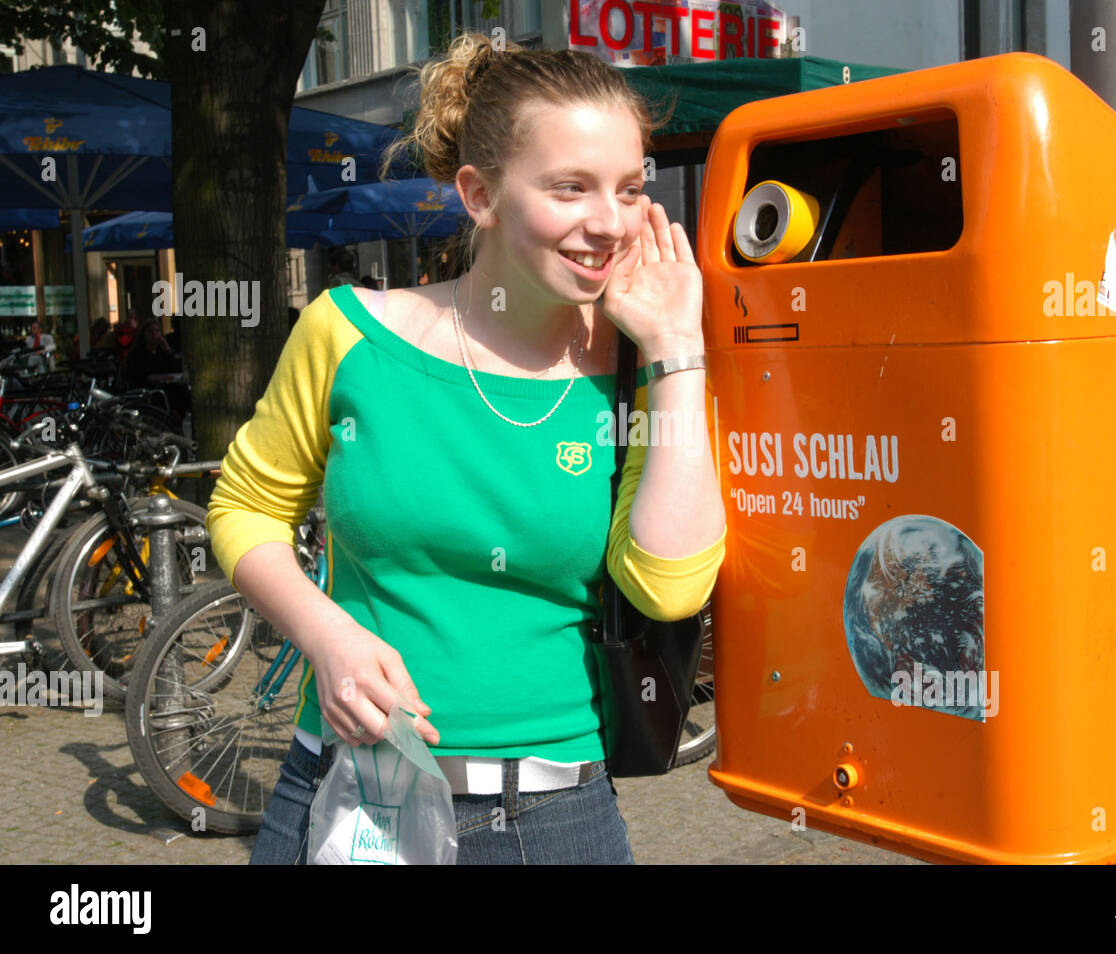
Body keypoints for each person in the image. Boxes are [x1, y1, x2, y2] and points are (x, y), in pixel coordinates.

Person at [206, 31, 726, 865]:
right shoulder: (346, 334)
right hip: (350, 792)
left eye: (631, 189)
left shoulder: (641, 369)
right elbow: (244, 508)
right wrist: (325, 636)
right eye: (571, 188)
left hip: (555, 816)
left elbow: (669, 587)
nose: (610, 222)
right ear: (480, 194)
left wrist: (677, 349)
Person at [120, 317, 191, 421]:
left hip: (163, 385)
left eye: (157, 331)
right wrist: (155, 378)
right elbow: (136, 375)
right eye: (150, 331)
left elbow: (174, 368)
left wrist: (167, 349)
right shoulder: (137, 353)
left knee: (183, 391)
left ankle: (177, 417)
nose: (154, 334)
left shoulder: (160, 351)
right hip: (146, 388)